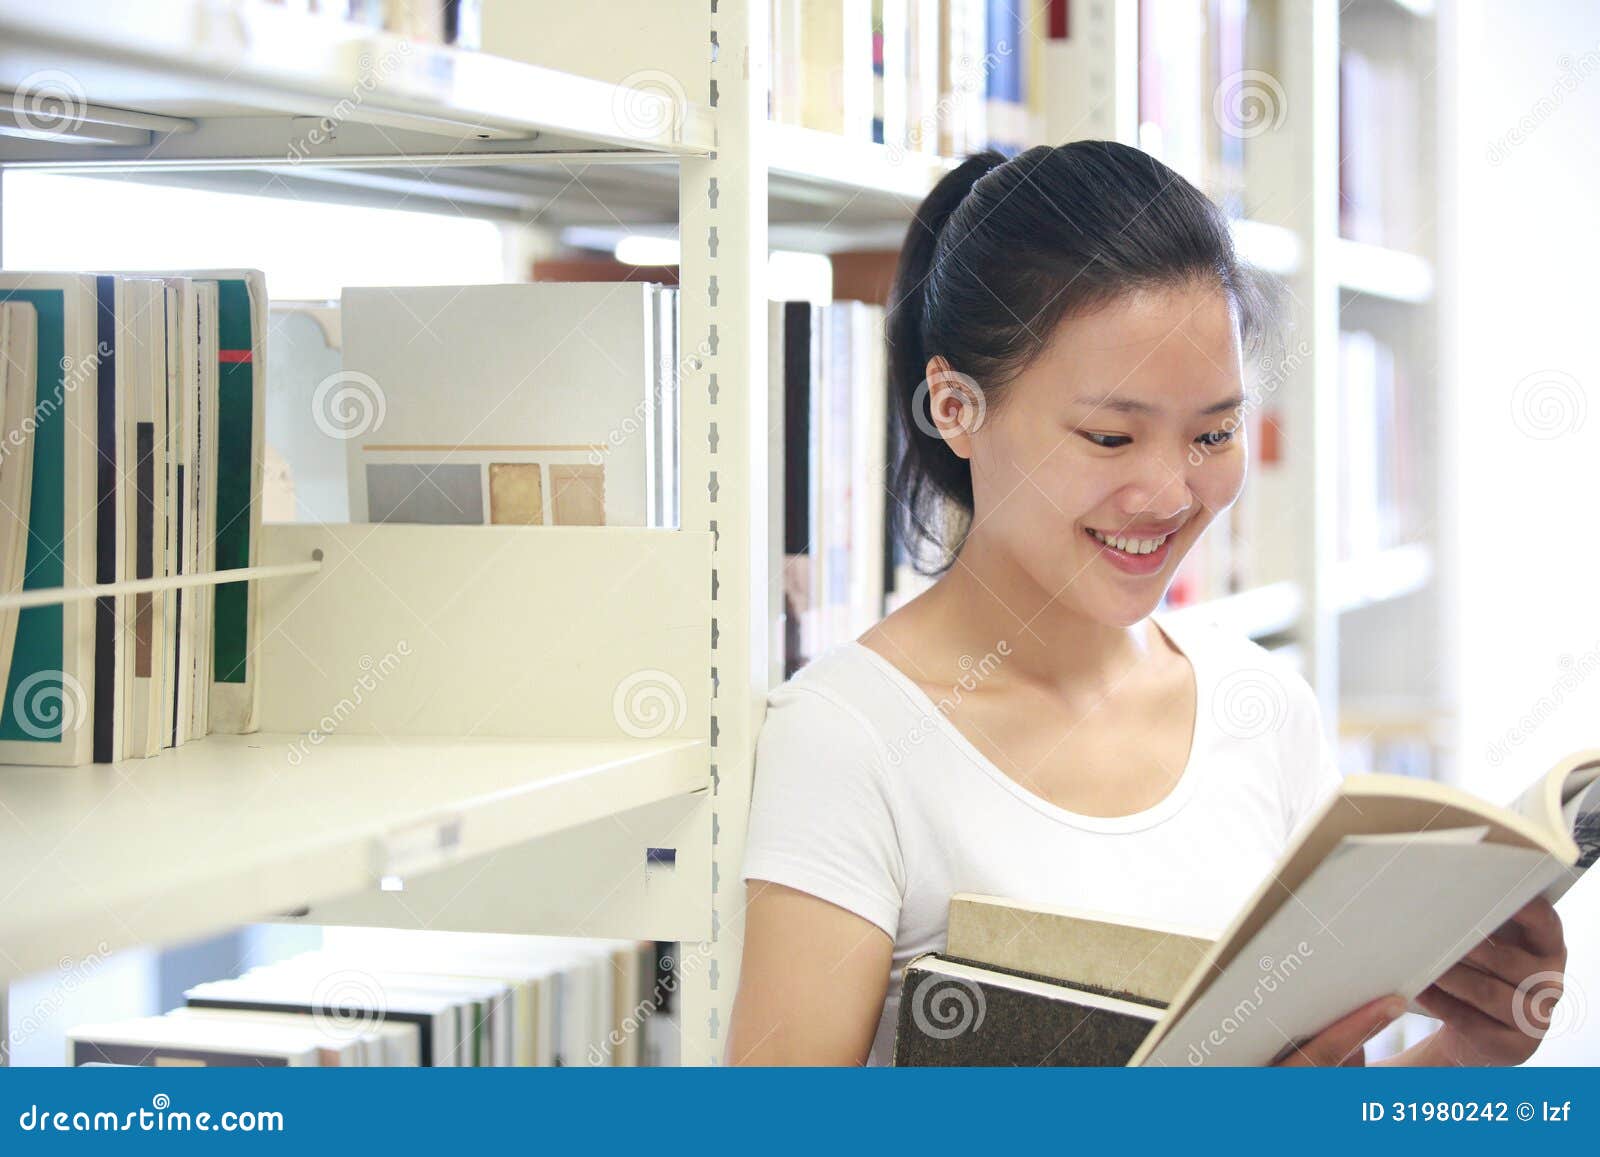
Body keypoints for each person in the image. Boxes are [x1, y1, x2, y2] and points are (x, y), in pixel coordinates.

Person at [726, 141, 1566, 1067]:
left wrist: (1470, 1054)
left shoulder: (1263, 707)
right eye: (1111, 436)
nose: (1170, 493)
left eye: (1214, 431)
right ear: (956, 405)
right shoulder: (849, 738)